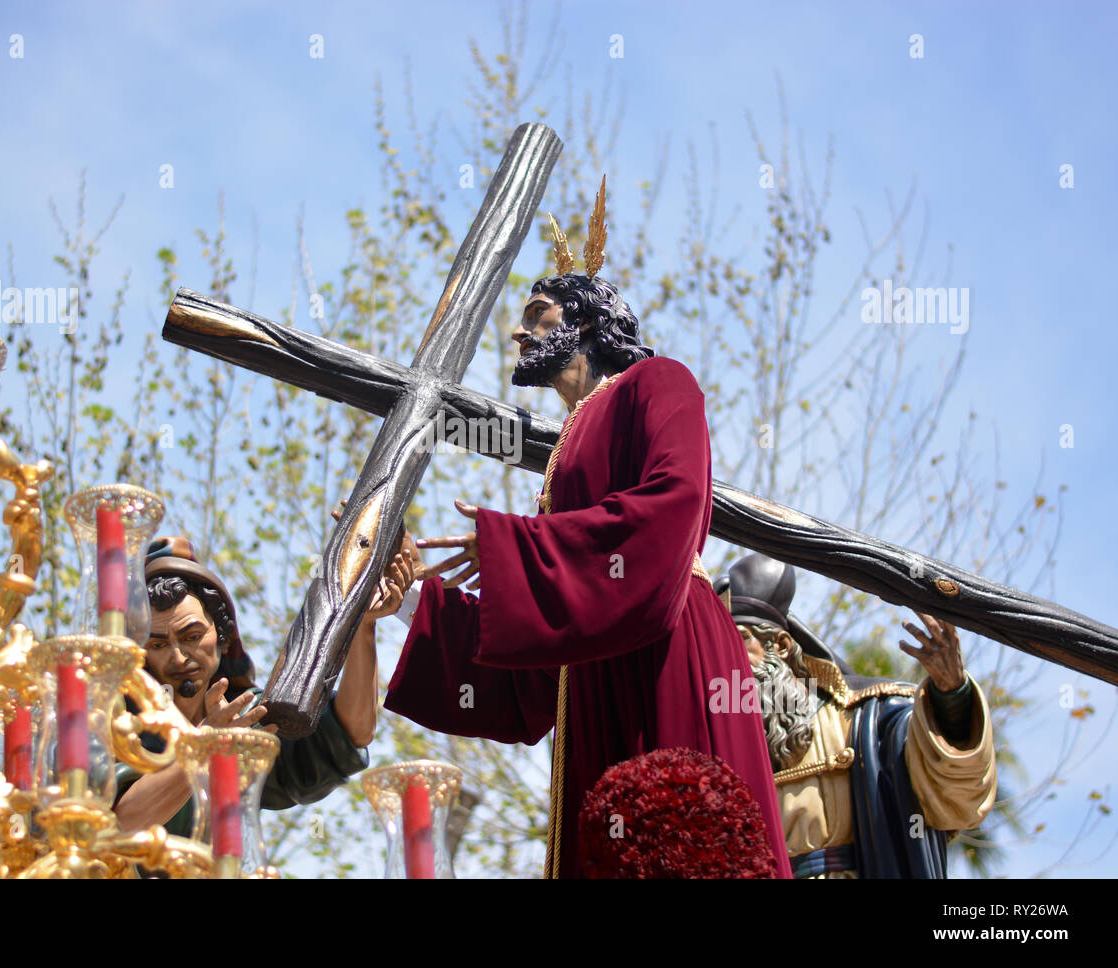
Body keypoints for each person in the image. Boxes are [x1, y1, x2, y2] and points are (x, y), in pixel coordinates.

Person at [382, 189, 792, 878]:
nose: (520, 334)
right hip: (593, 674)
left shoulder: (657, 383)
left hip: (669, 652)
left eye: (537, 316)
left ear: (591, 320)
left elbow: (673, 502)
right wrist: (403, 594)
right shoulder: (564, 447)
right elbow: (532, 676)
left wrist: (520, 550)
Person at [114, 534, 416, 836]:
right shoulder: (119, 727)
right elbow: (122, 824)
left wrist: (361, 624)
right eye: (157, 644)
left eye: (192, 636)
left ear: (222, 634)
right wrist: (205, 745)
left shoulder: (245, 717)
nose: (178, 657)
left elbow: (350, 732)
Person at [717, 552, 997, 878]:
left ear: (779, 645)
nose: (729, 662)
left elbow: (956, 795)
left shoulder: (864, 719)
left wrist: (952, 696)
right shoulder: (727, 745)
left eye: (740, 641)